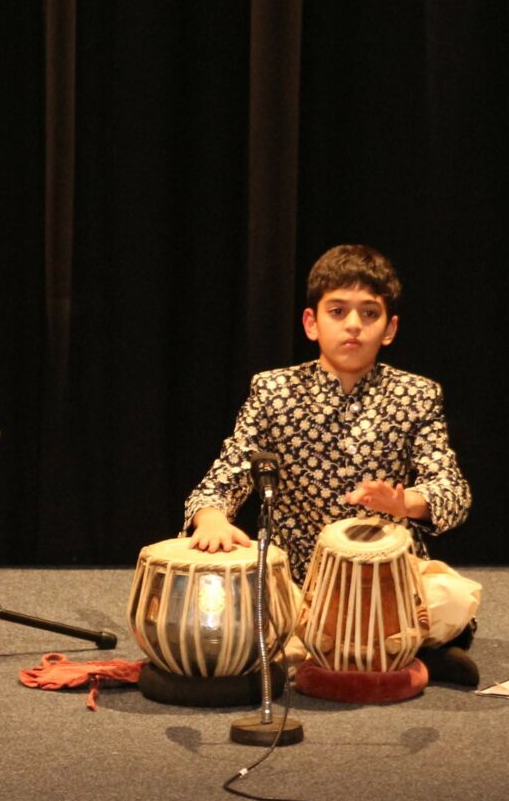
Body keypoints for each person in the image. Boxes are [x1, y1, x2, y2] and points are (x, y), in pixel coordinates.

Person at [184, 245, 471, 588]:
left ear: (390, 328)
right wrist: (211, 517)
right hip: (293, 580)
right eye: (337, 311)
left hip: (385, 578)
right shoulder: (275, 390)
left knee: (452, 596)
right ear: (311, 323)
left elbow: (452, 491)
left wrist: (405, 502)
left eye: (369, 313)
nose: (353, 325)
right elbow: (222, 481)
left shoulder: (416, 395)